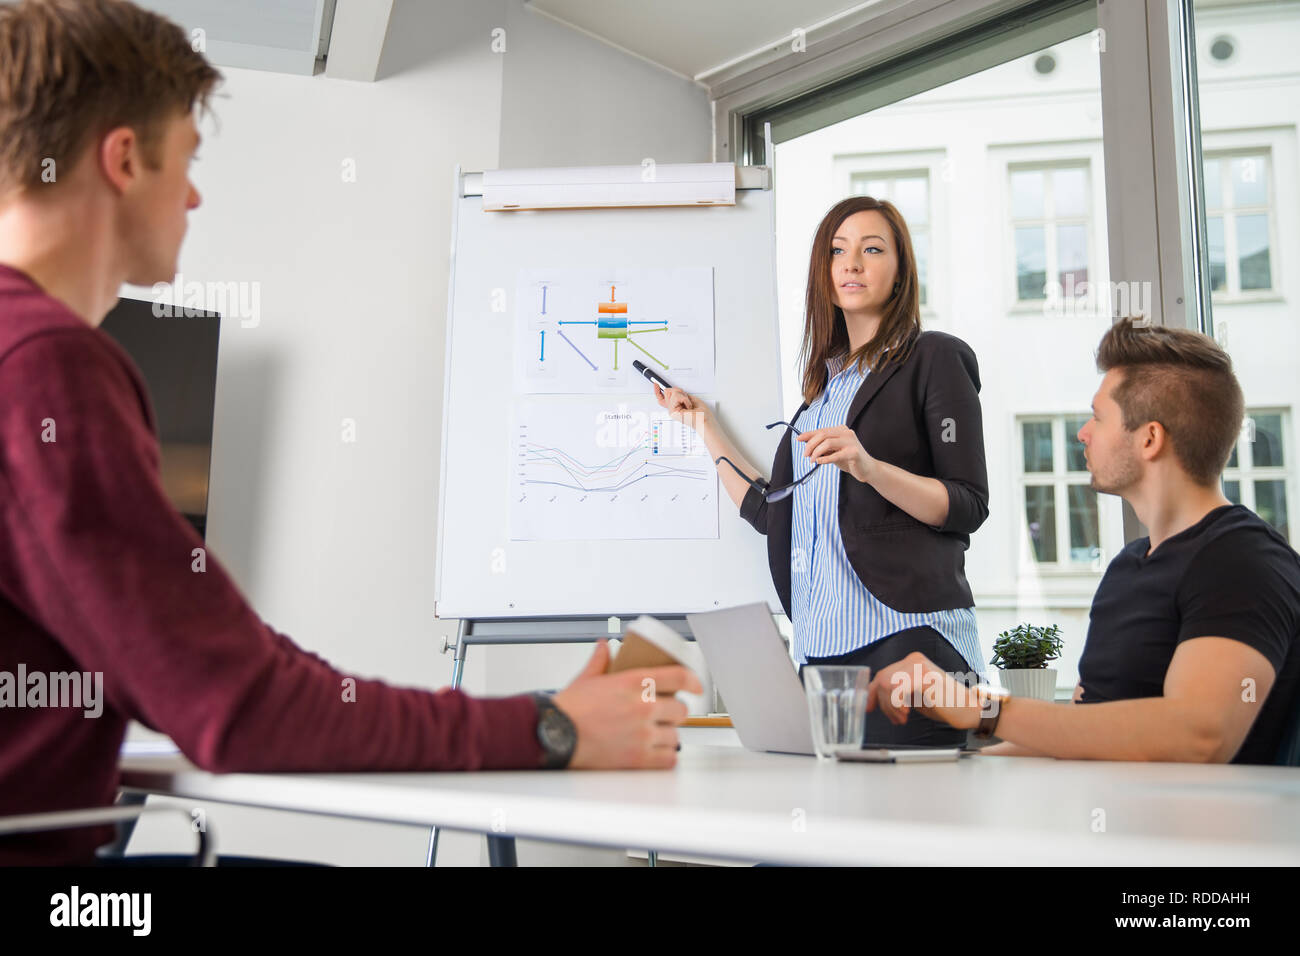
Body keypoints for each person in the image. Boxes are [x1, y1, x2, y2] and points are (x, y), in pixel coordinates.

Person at [0, 0, 699, 866]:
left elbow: (214, 661)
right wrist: (549, 729)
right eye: (185, 160)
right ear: (123, 157)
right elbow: (238, 709)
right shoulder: (46, 367)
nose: (193, 195)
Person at [865, 318, 1300, 764]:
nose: (1083, 433)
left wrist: (978, 707)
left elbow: (1199, 736)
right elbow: (1083, 729)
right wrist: (943, 767)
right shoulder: (1130, 565)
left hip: (1182, 833)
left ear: (1150, 438)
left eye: (1098, 416)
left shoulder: (1243, 559)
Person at [653, 195, 988, 747]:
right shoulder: (819, 398)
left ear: (901, 272)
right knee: (834, 818)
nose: (852, 263)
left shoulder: (934, 358)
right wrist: (703, 428)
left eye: (872, 249)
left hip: (907, 646)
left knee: (912, 818)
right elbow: (770, 511)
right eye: (838, 251)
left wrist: (869, 467)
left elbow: (966, 503)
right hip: (819, 657)